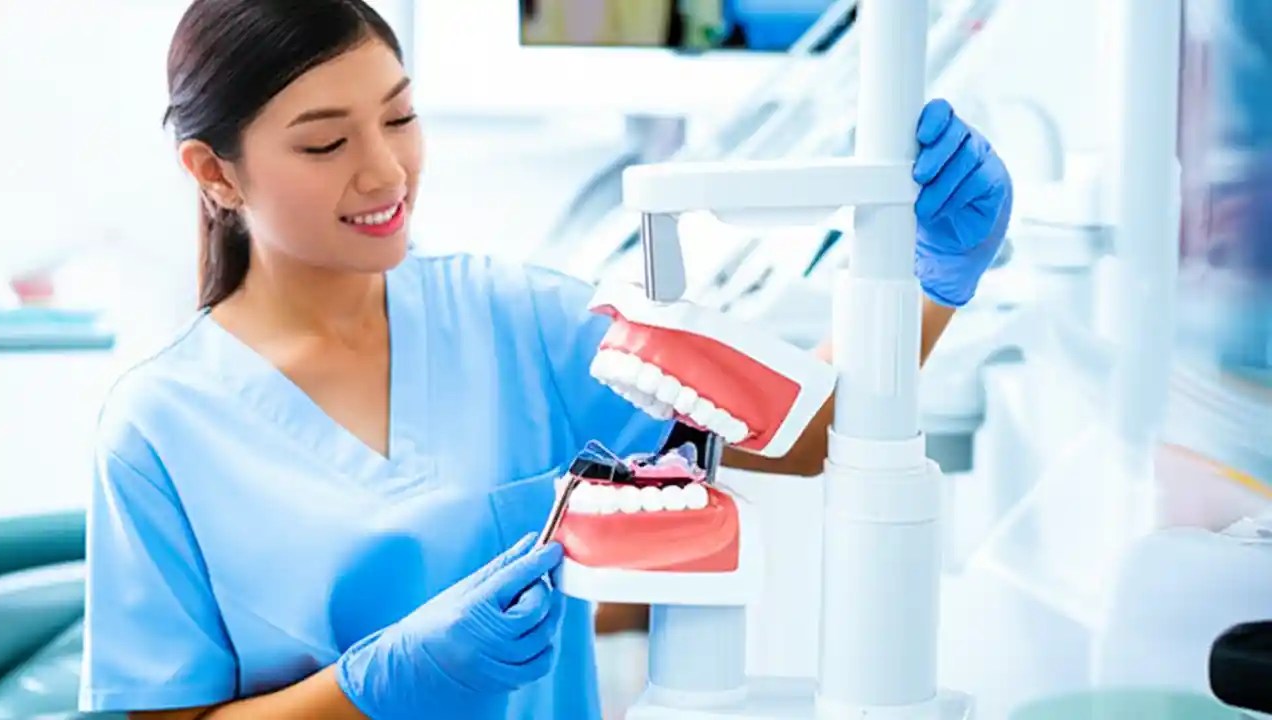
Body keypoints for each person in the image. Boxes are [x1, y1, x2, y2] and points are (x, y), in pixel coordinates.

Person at [77, 1, 1012, 718]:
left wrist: (929, 281)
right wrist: (371, 688)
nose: (385, 173)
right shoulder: (161, 428)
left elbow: (793, 438)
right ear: (214, 172)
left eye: (399, 120)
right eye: (325, 143)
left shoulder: (511, 318)